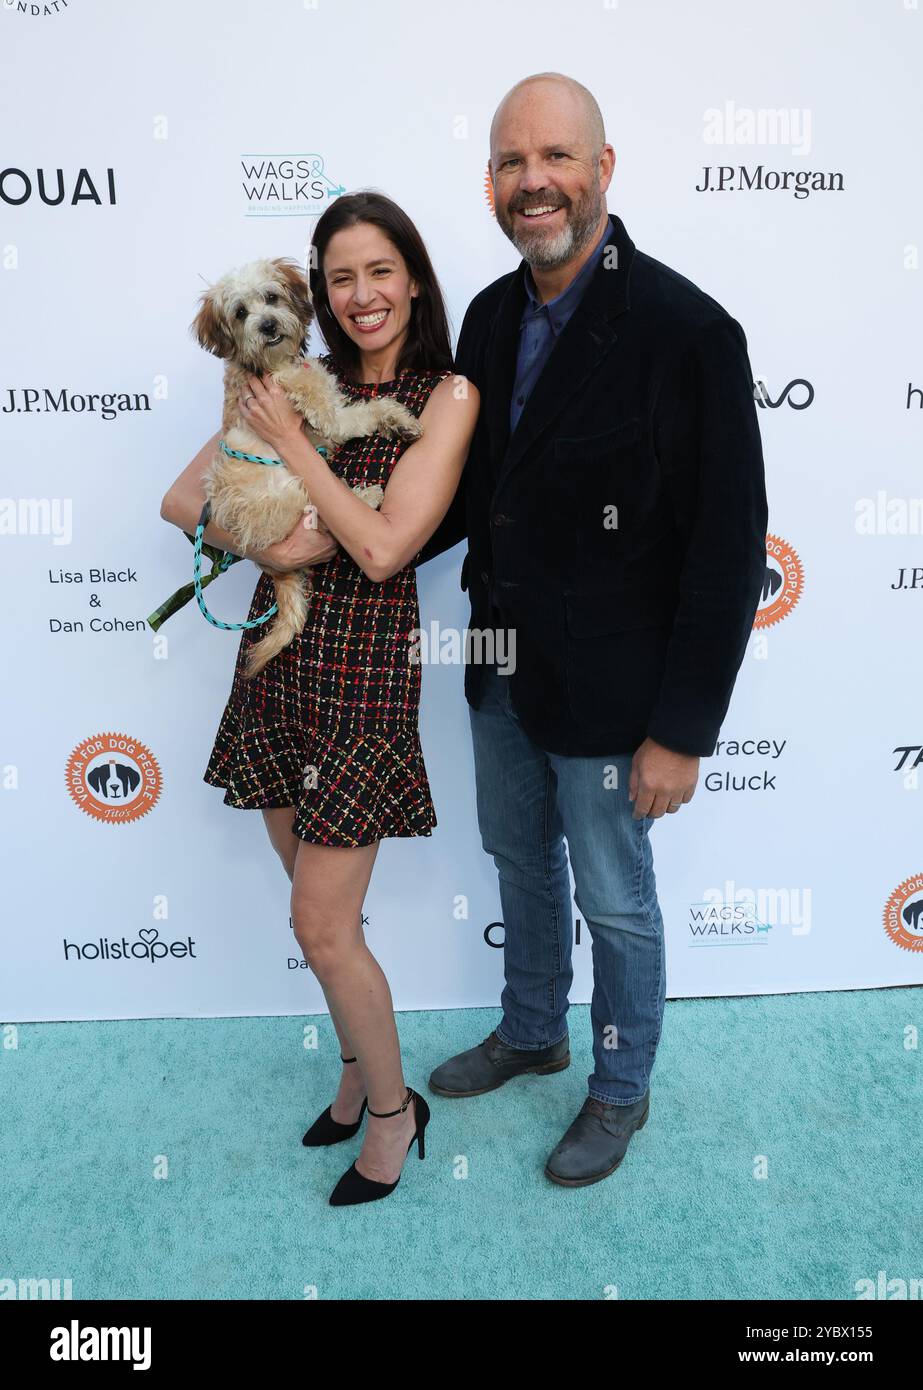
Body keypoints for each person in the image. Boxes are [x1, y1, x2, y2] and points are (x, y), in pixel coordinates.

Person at [419, 72, 769, 1187]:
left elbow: (725, 549)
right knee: (516, 856)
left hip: (619, 690)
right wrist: (341, 540)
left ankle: (619, 1087)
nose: (535, 181)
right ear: (490, 184)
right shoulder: (484, 313)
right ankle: (532, 1029)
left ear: (602, 170)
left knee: (612, 900)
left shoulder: (686, 330)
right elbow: (464, 497)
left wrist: (682, 731)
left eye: (556, 157)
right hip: (495, 660)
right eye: (513, 162)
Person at [160, 192, 479, 1206]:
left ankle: (394, 1115)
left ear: (412, 279)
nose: (360, 294)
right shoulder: (295, 375)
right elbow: (181, 501)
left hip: (361, 679)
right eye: (340, 277)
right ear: (319, 294)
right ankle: (353, 1073)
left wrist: (296, 453)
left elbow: (386, 550)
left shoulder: (446, 396)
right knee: (316, 913)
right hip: (276, 658)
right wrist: (265, 539)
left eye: (378, 270)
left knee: (322, 925)